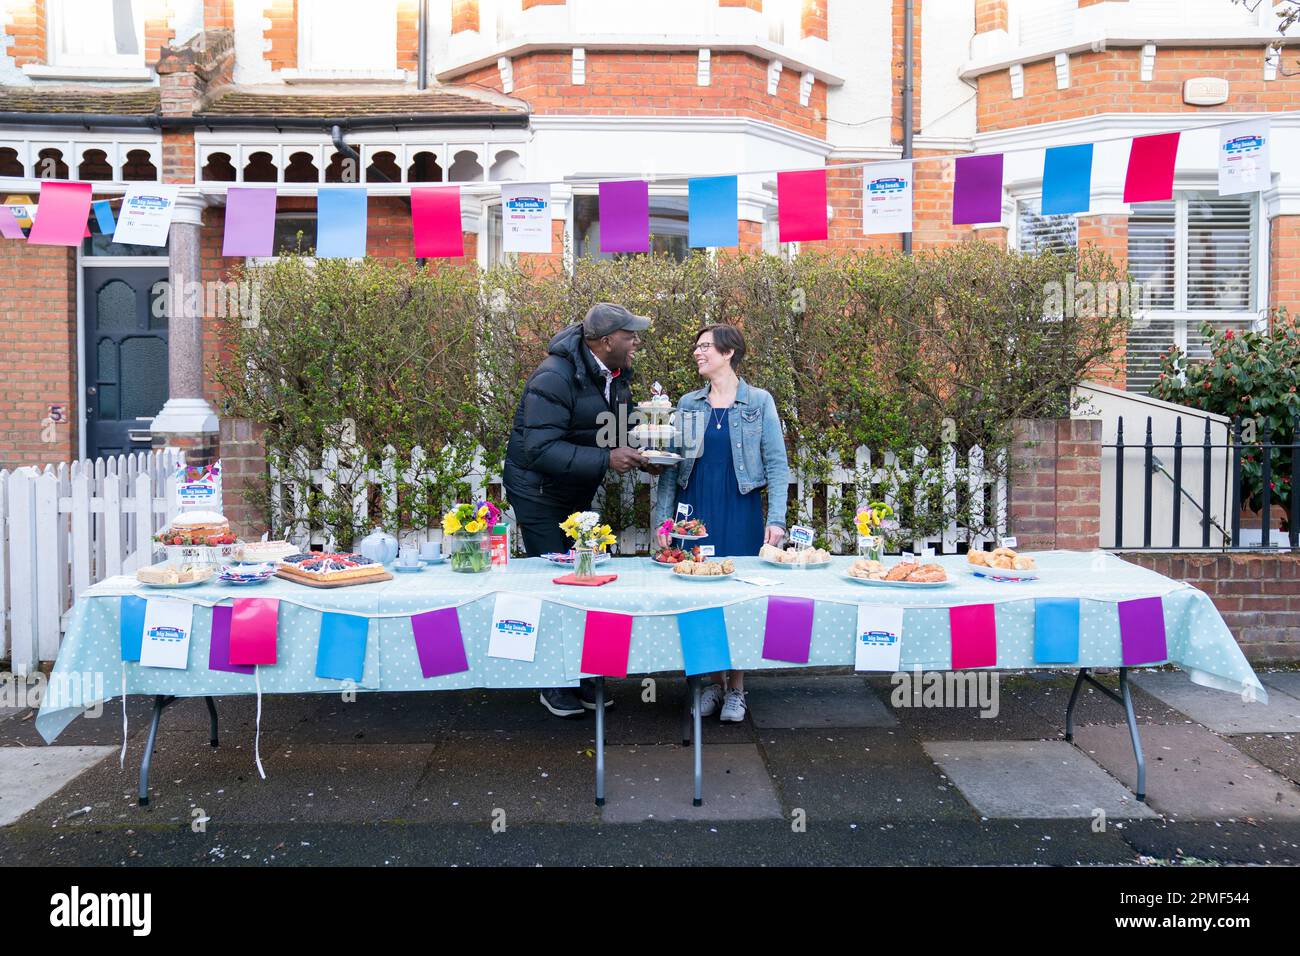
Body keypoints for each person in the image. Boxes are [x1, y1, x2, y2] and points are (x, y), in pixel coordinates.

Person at [504, 302, 655, 718]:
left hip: (575, 490)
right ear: (605, 341)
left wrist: (646, 449)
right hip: (537, 491)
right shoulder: (554, 375)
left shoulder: (616, 375)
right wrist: (607, 460)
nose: (637, 341)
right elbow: (540, 448)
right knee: (554, 581)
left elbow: (612, 432)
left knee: (584, 576)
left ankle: (584, 672)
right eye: (630, 336)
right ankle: (554, 682)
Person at [654, 324, 789, 723]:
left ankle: (737, 690)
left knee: (738, 596)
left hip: (740, 504)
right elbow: (671, 468)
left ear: (729, 353)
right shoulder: (688, 404)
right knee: (700, 597)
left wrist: (777, 520)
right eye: (696, 347)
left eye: (705, 347)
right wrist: (664, 521)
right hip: (694, 510)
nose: (698, 353)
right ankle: (710, 685)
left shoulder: (758, 402)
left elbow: (778, 466)